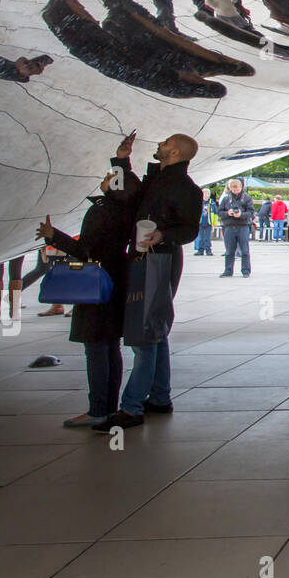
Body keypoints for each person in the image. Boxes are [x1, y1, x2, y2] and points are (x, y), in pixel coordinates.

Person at [95, 131, 201, 430]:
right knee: (155, 330)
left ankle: (131, 408)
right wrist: (121, 161)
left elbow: (190, 230)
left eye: (165, 144)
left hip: (158, 258)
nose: (159, 145)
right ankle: (159, 397)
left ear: (175, 154)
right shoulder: (160, 180)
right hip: (151, 256)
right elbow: (124, 195)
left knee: (145, 335)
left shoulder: (184, 187)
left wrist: (163, 235)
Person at [35, 135, 139, 427]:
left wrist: (54, 236)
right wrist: (121, 158)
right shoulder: (126, 211)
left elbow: (86, 249)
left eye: (110, 178)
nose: (106, 179)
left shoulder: (103, 212)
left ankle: (97, 410)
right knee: (110, 347)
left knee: (95, 348)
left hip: (95, 284)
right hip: (115, 279)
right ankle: (108, 406)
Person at [217, 178, 255, 278]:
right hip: (229, 226)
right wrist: (227, 213)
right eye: (234, 190)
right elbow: (220, 212)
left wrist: (241, 215)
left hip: (243, 226)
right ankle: (228, 270)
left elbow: (251, 213)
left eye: (237, 190)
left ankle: (246, 270)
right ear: (230, 188)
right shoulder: (226, 199)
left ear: (241, 188)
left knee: (245, 250)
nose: (235, 192)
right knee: (229, 250)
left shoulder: (247, 198)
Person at [194, 187, 213, 256]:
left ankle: (208, 250)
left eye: (208, 194)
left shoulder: (212, 203)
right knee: (200, 238)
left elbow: (214, 214)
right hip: (200, 223)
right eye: (205, 194)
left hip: (208, 223)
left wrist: (213, 224)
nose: (206, 195)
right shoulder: (199, 202)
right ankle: (200, 250)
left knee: (207, 238)